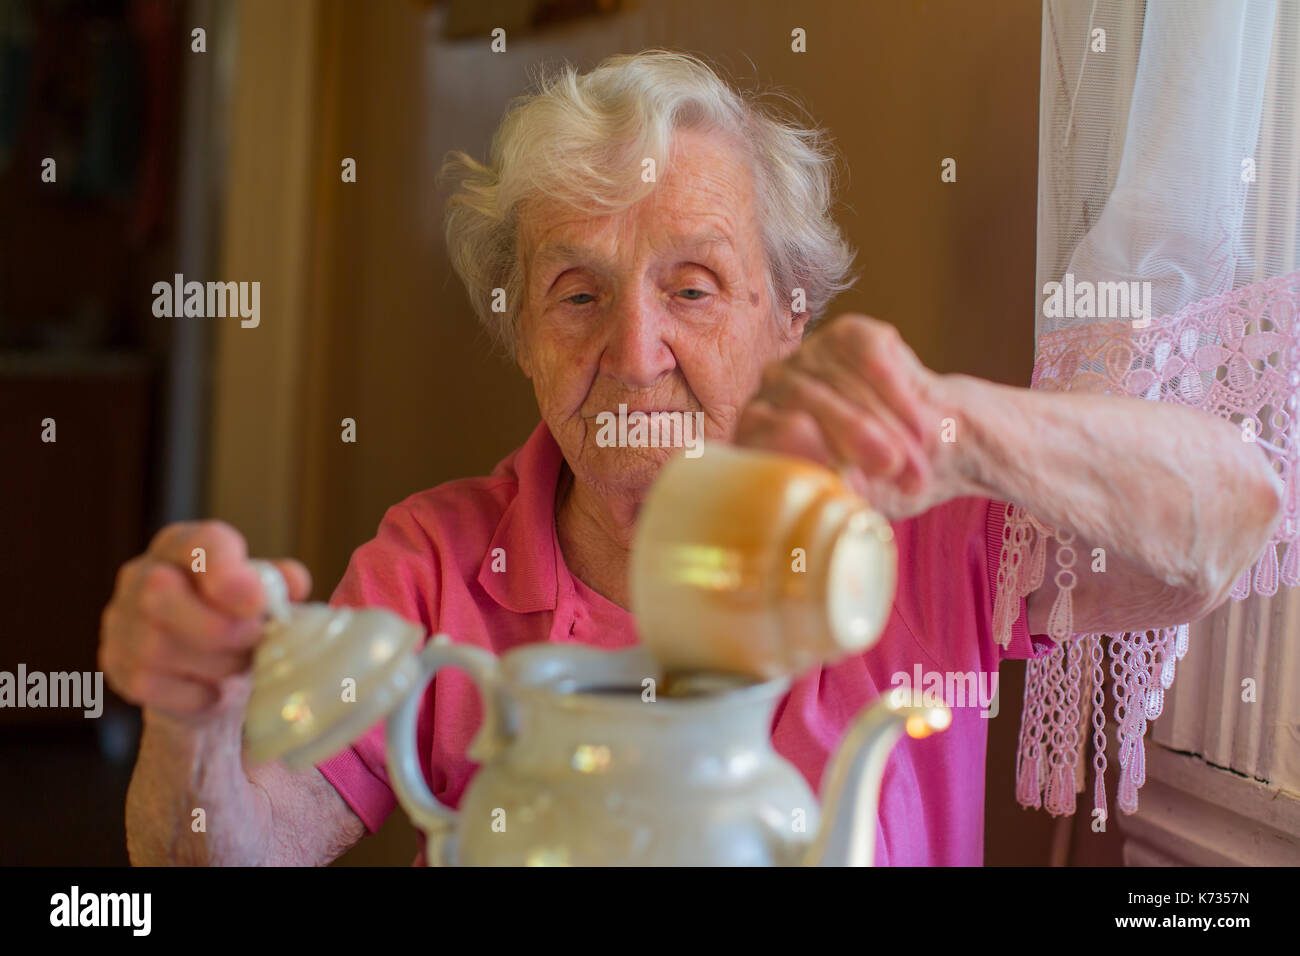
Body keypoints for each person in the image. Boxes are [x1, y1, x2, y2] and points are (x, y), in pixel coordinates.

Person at [101, 50, 1282, 866]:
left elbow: (1235, 512)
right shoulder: (435, 568)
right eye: (577, 294)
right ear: (523, 334)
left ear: (789, 317)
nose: (633, 352)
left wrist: (962, 426)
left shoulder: (908, 531)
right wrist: (194, 714)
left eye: (694, 287)